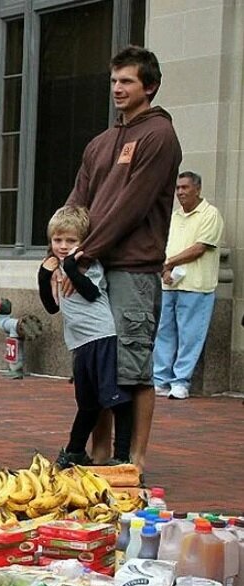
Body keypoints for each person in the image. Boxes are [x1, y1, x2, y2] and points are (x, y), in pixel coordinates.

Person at [66, 46, 181, 471]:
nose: (117, 88)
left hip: (133, 269)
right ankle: (98, 453)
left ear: (149, 86)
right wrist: (57, 251)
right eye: (114, 80)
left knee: (133, 368)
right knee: (97, 364)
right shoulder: (101, 143)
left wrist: (83, 252)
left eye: (127, 81)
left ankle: (134, 459)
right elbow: (77, 203)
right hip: (92, 267)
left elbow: (131, 206)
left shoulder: (158, 137)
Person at [37, 206, 132, 467]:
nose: (63, 246)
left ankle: (123, 455)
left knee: (116, 398)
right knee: (88, 404)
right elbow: (51, 307)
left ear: (83, 243)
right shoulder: (60, 268)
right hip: (80, 343)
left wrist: (71, 267)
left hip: (101, 337)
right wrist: (44, 276)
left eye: (71, 241)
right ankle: (75, 450)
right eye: (58, 240)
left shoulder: (88, 265)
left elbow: (90, 292)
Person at [153, 171, 224, 400]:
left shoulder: (210, 214)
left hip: (196, 286)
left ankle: (181, 381)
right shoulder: (173, 216)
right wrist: (164, 270)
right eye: (178, 188)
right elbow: (164, 246)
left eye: (185, 187)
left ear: (198, 189)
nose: (180, 192)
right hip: (171, 285)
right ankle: (160, 380)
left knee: (189, 335)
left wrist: (169, 263)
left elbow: (200, 248)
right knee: (165, 333)